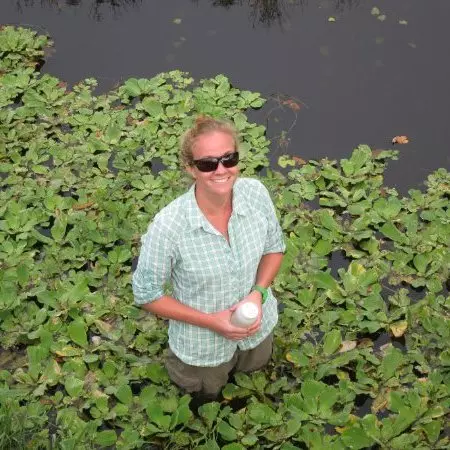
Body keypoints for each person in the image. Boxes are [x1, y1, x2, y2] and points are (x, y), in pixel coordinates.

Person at [132, 116, 285, 399]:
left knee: (254, 377)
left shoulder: (255, 194)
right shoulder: (169, 226)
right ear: (191, 168)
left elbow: (274, 248)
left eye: (229, 158)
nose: (221, 170)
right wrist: (213, 322)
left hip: (257, 328)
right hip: (202, 347)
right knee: (204, 397)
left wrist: (259, 293)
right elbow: (146, 294)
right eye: (207, 163)